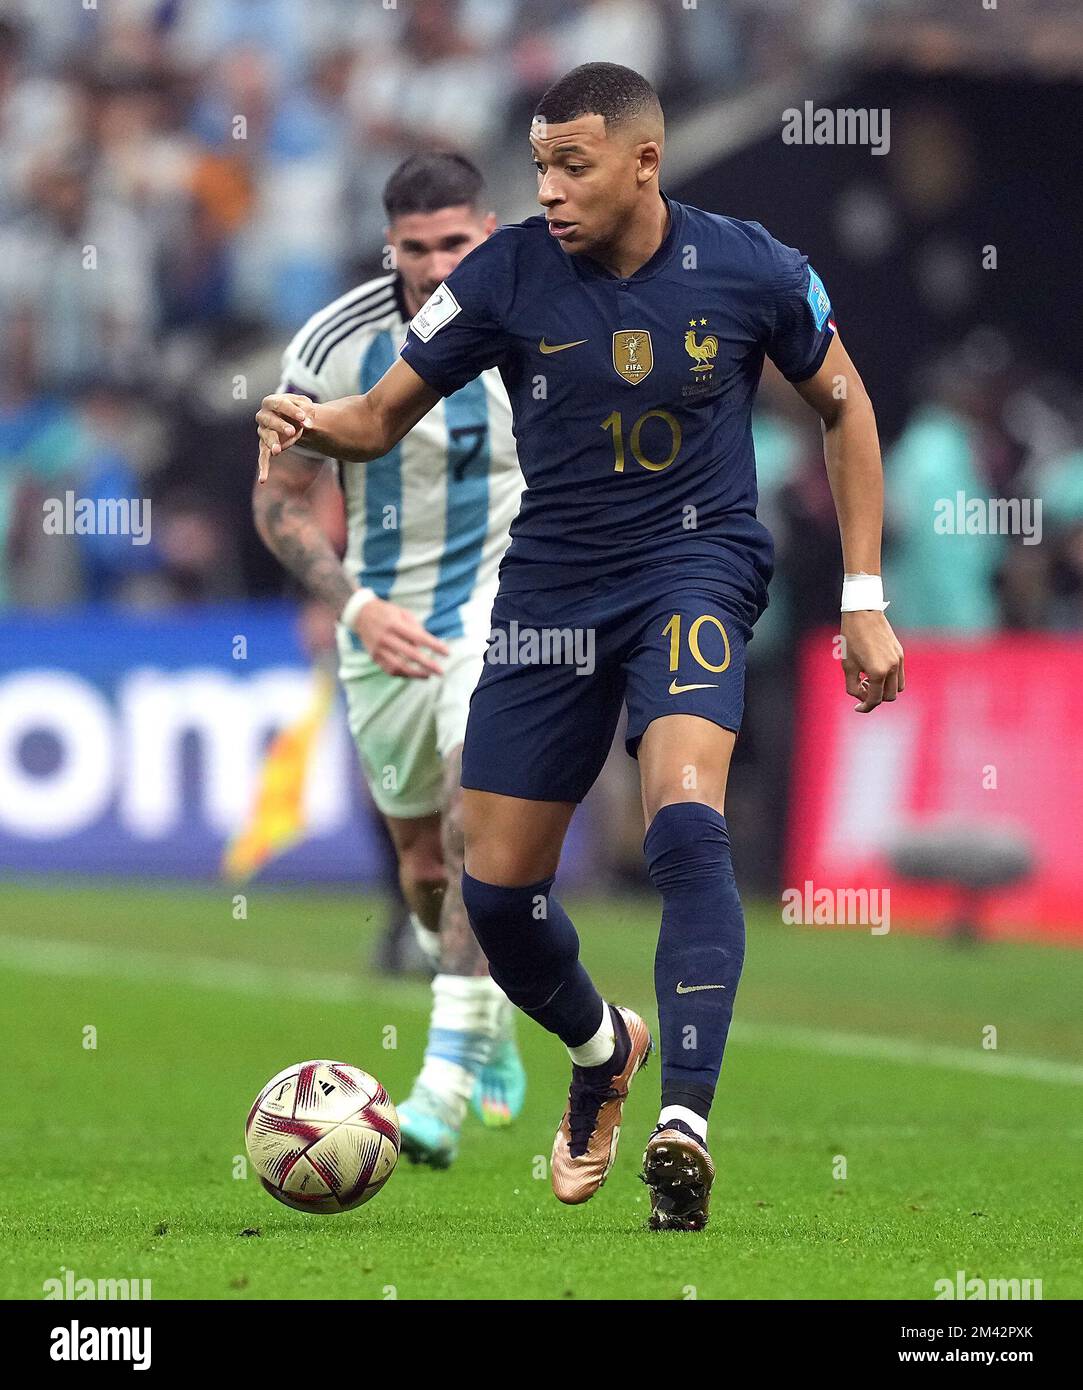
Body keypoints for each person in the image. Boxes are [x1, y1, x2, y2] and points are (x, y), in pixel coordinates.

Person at [255, 63, 905, 1231]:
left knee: (684, 819)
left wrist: (863, 592)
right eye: (540, 165)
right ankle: (604, 1052)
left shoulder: (752, 266)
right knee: (494, 894)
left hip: (694, 571)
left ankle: (685, 1123)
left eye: (573, 166)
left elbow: (846, 405)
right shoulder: (505, 275)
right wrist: (308, 421)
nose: (547, 190)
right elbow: (379, 415)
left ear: (645, 161)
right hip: (550, 591)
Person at [252, 152, 527, 1168]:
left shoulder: (539, 312)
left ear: (487, 232)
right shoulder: (333, 342)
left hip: (509, 605)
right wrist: (354, 607)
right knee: (420, 865)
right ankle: (487, 1012)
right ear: (390, 248)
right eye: (416, 249)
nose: (436, 265)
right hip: (386, 619)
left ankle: (442, 1086)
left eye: (455, 244)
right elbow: (279, 502)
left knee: (473, 817)